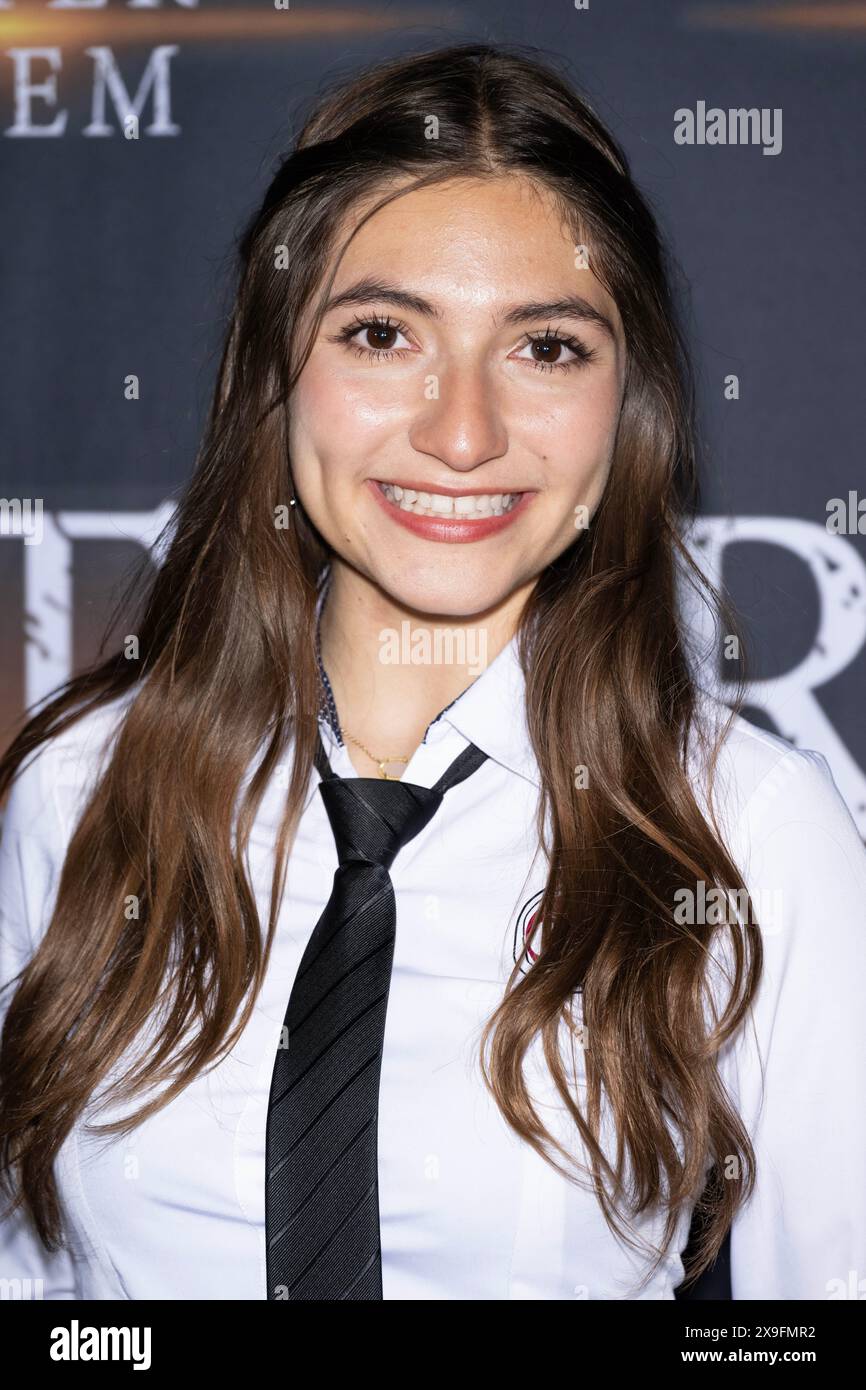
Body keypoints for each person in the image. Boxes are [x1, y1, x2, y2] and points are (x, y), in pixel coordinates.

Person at [1, 41, 864, 1302]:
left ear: (629, 404)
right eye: (381, 333)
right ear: (276, 376)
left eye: (546, 348)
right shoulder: (80, 795)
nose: (460, 432)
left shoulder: (747, 833)